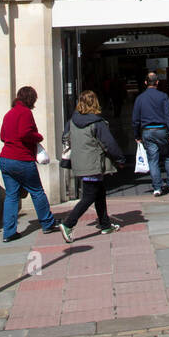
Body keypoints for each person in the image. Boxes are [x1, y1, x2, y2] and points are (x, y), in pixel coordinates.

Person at [59, 90, 126, 241]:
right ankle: (69, 224)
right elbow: (109, 144)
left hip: (80, 164)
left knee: (99, 193)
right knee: (89, 196)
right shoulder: (97, 123)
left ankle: (105, 224)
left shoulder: (71, 122)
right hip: (94, 164)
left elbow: (65, 139)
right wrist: (120, 159)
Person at [0, 86, 58, 242]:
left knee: (11, 196)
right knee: (37, 191)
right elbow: (25, 133)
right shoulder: (25, 112)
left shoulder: (9, 114)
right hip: (21, 158)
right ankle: (47, 223)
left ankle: (9, 232)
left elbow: (3, 136)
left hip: (5, 158)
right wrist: (38, 137)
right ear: (31, 99)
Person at [131, 70, 169, 195]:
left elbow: (135, 119)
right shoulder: (163, 96)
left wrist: (136, 135)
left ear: (146, 82)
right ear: (157, 82)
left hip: (147, 131)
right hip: (162, 129)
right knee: (168, 156)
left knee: (153, 160)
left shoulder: (140, 98)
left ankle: (157, 187)